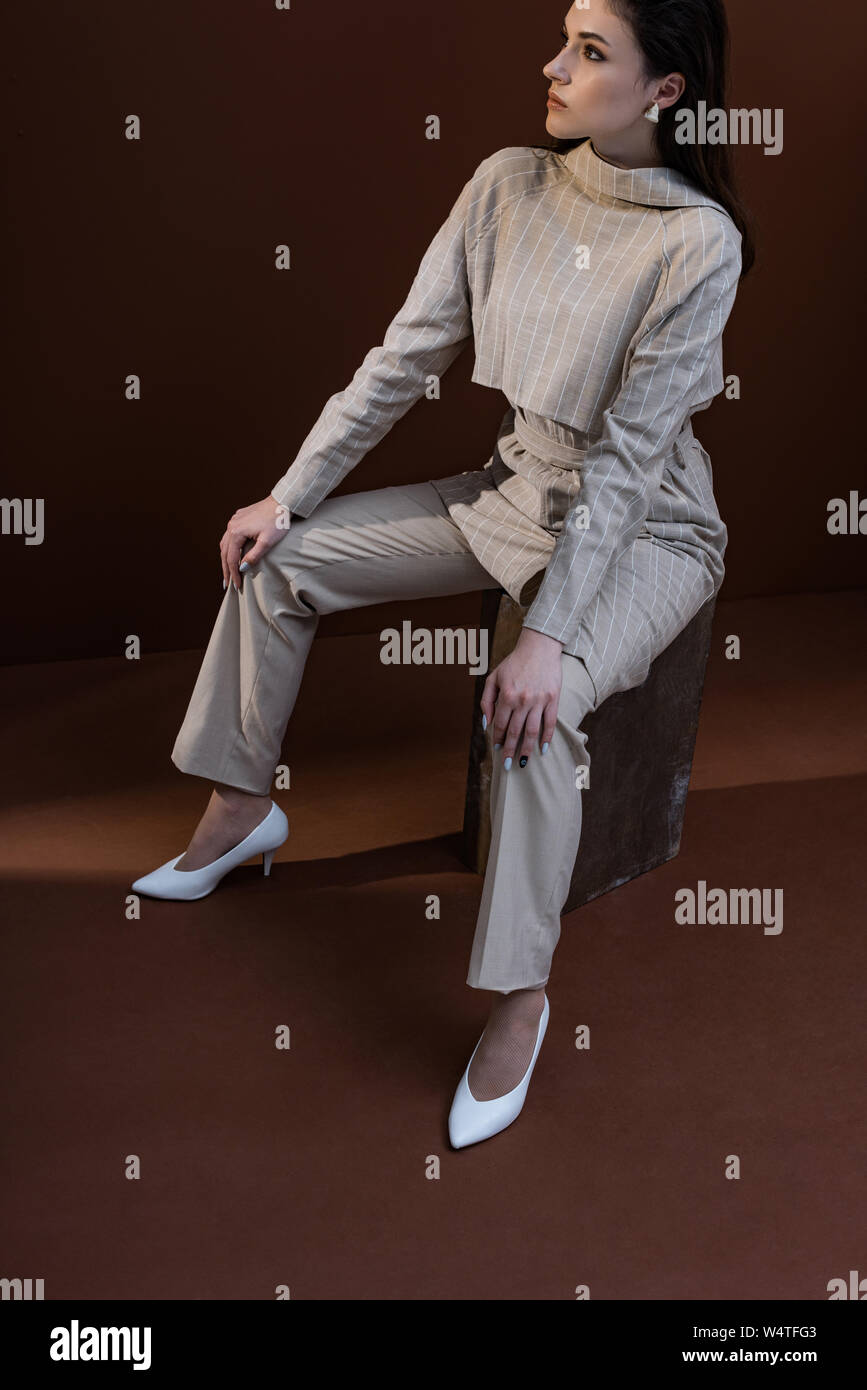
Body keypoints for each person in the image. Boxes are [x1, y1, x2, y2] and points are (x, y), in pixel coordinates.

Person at [131, 0, 754, 1149]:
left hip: (649, 527)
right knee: (286, 562)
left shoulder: (697, 243)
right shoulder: (509, 183)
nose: (554, 67)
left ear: (667, 92)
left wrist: (548, 637)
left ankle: (522, 997)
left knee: (535, 708)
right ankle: (240, 804)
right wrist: (289, 491)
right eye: (564, 39)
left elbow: (626, 464)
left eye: (590, 52)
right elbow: (402, 356)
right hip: (514, 486)